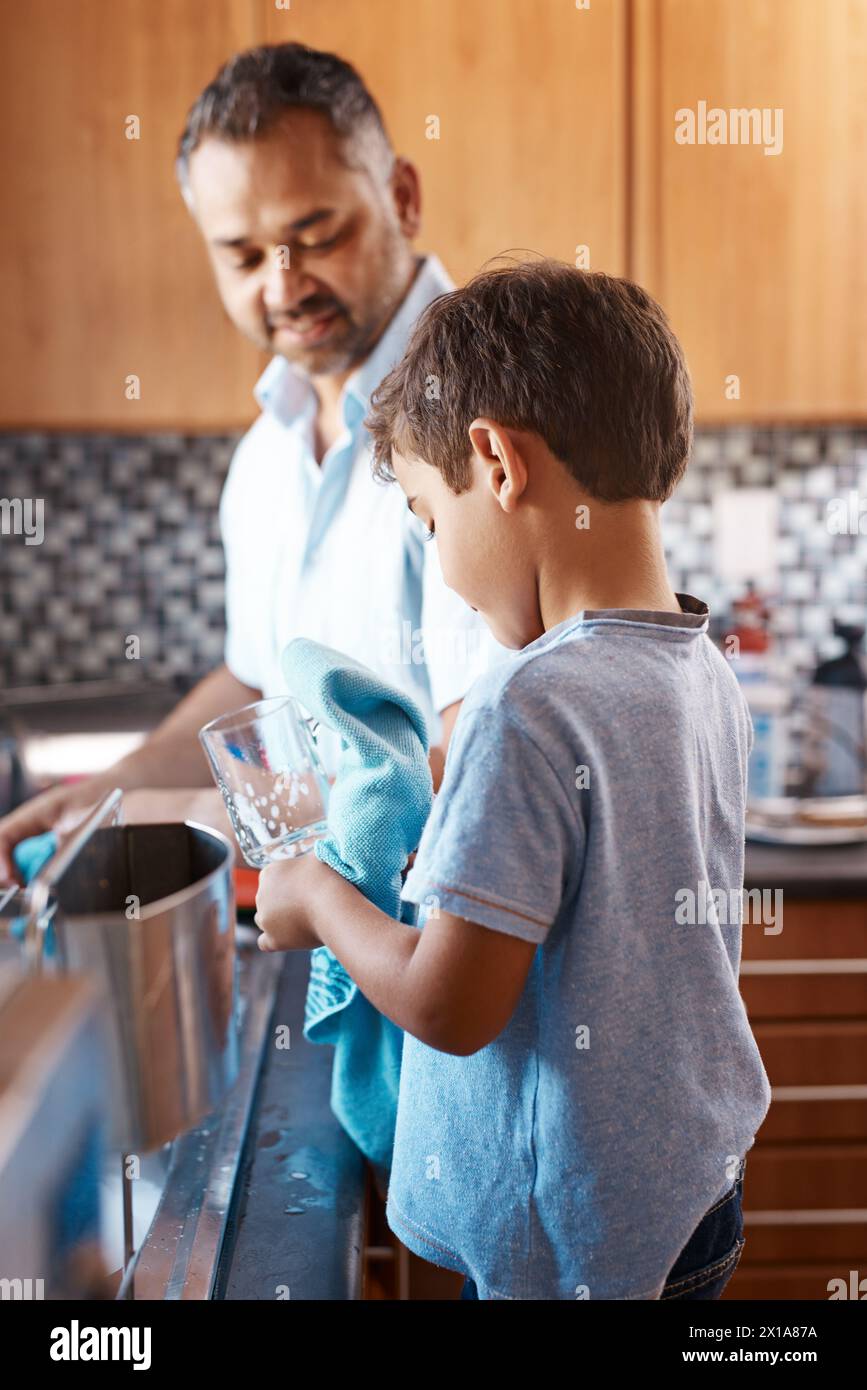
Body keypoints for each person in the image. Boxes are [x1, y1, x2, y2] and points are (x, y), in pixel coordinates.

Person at [252, 258, 773, 1299]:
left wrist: (314, 893)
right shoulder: (699, 665)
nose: (438, 555)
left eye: (427, 517)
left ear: (493, 461)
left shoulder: (522, 703)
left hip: (578, 1230)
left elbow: (451, 1006)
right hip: (692, 1197)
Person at [0, 43, 503, 878]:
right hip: (325, 963)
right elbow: (255, 682)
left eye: (317, 235)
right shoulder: (266, 453)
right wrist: (113, 796)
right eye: (240, 255)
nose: (282, 285)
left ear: (403, 198)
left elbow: (479, 758)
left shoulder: (481, 424)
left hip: (444, 969)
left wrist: (204, 814)